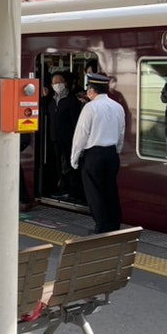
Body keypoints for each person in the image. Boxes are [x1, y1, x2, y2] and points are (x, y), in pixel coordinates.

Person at [71, 71, 125, 233]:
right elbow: (121, 132)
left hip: (94, 155)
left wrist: (74, 158)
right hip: (111, 154)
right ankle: (114, 223)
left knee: (94, 191)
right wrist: (117, 151)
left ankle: (101, 226)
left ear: (91, 91)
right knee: (110, 189)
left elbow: (81, 134)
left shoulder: (90, 107)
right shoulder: (118, 107)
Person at [46, 70, 84, 201]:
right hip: (55, 139)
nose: (57, 85)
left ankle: (73, 192)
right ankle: (63, 188)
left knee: (70, 164)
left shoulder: (72, 100)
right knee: (59, 164)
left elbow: (75, 122)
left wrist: (76, 139)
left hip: (69, 139)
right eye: (54, 83)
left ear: (65, 83)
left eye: (59, 82)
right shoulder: (51, 100)